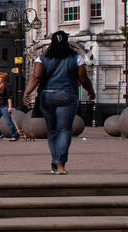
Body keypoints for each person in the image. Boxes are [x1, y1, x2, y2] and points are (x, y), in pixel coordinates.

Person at [24, 30, 95, 174]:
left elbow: (36, 77)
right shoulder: (76, 58)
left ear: (52, 43)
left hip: (47, 96)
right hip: (68, 95)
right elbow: (84, 78)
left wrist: (27, 92)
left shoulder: (41, 58)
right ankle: (60, 163)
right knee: (64, 130)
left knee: (52, 131)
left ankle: (55, 163)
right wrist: (91, 91)